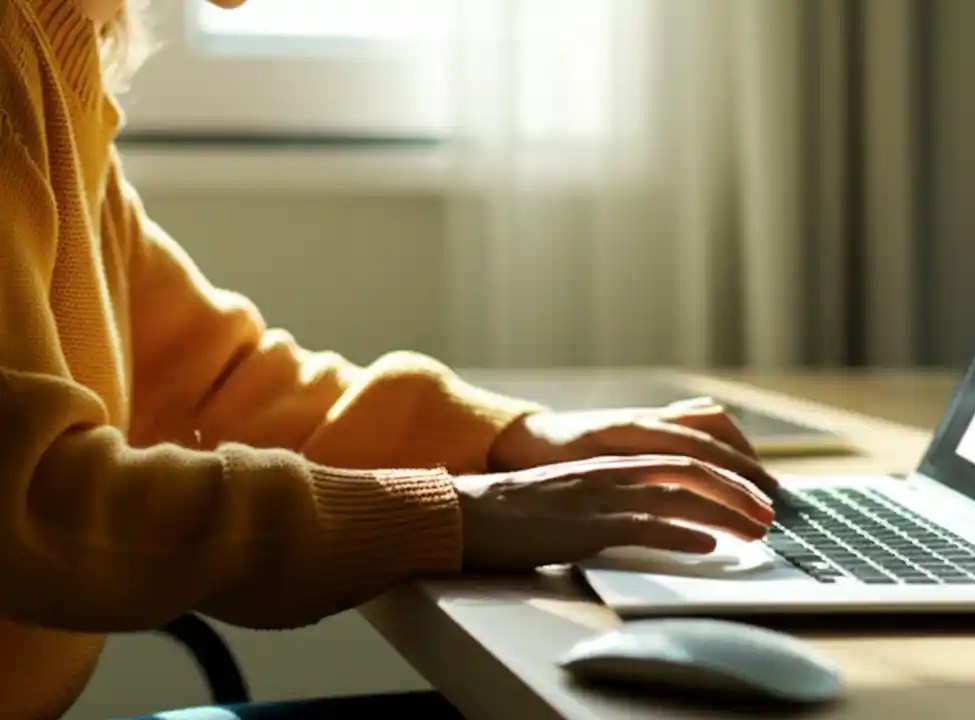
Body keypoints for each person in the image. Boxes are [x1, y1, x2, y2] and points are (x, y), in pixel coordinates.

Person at [0, 0, 779, 717]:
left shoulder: (54, 46)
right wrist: (451, 515)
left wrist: (511, 440)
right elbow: (32, 498)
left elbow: (220, 383)